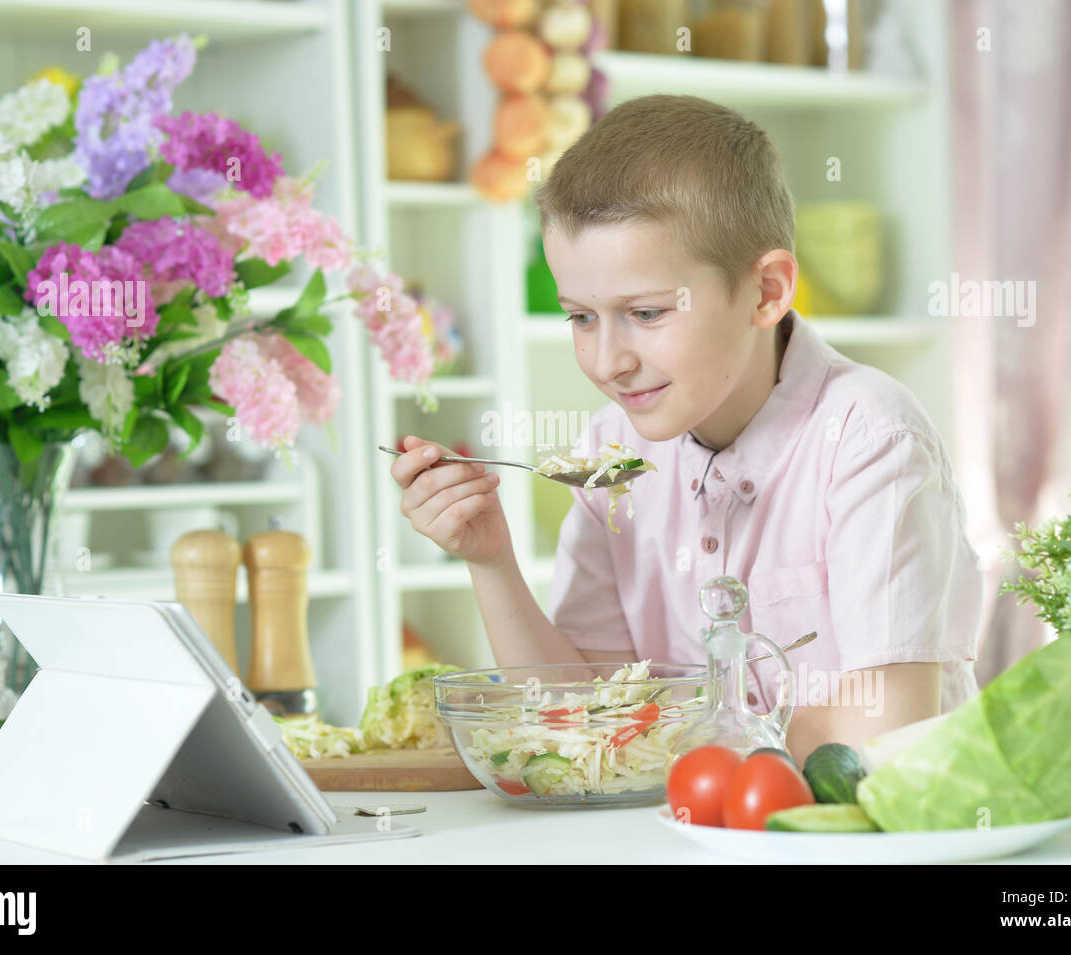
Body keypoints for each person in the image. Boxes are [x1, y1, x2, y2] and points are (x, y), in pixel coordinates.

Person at [389, 94, 982, 765]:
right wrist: (490, 558)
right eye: (581, 317)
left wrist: (658, 734)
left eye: (644, 313)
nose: (608, 359)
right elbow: (581, 718)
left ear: (765, 292)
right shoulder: (612, 455)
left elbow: (883, 734)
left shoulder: (869, 438)